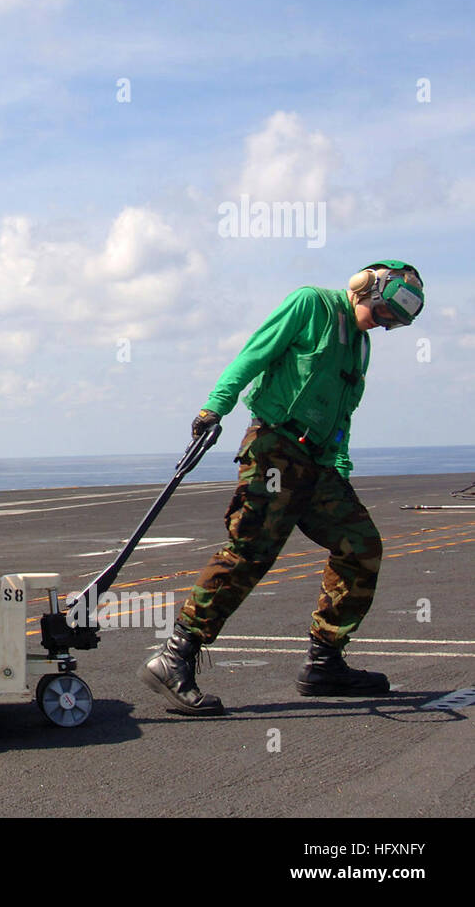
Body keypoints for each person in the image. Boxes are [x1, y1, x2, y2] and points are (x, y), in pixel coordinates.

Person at [140, 261, 425, 715]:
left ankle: (323, 661)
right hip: (275, 448)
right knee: (249, 553)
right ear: (368, 285)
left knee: (360, 546)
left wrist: (341, 463)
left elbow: (343, 412)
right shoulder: (310, 304)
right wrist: (215, 407)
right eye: (384, 310)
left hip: (318, 465)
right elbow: (254, 354)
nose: (383, 322)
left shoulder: (361, 346)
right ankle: (174, 657)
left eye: (394, 320)